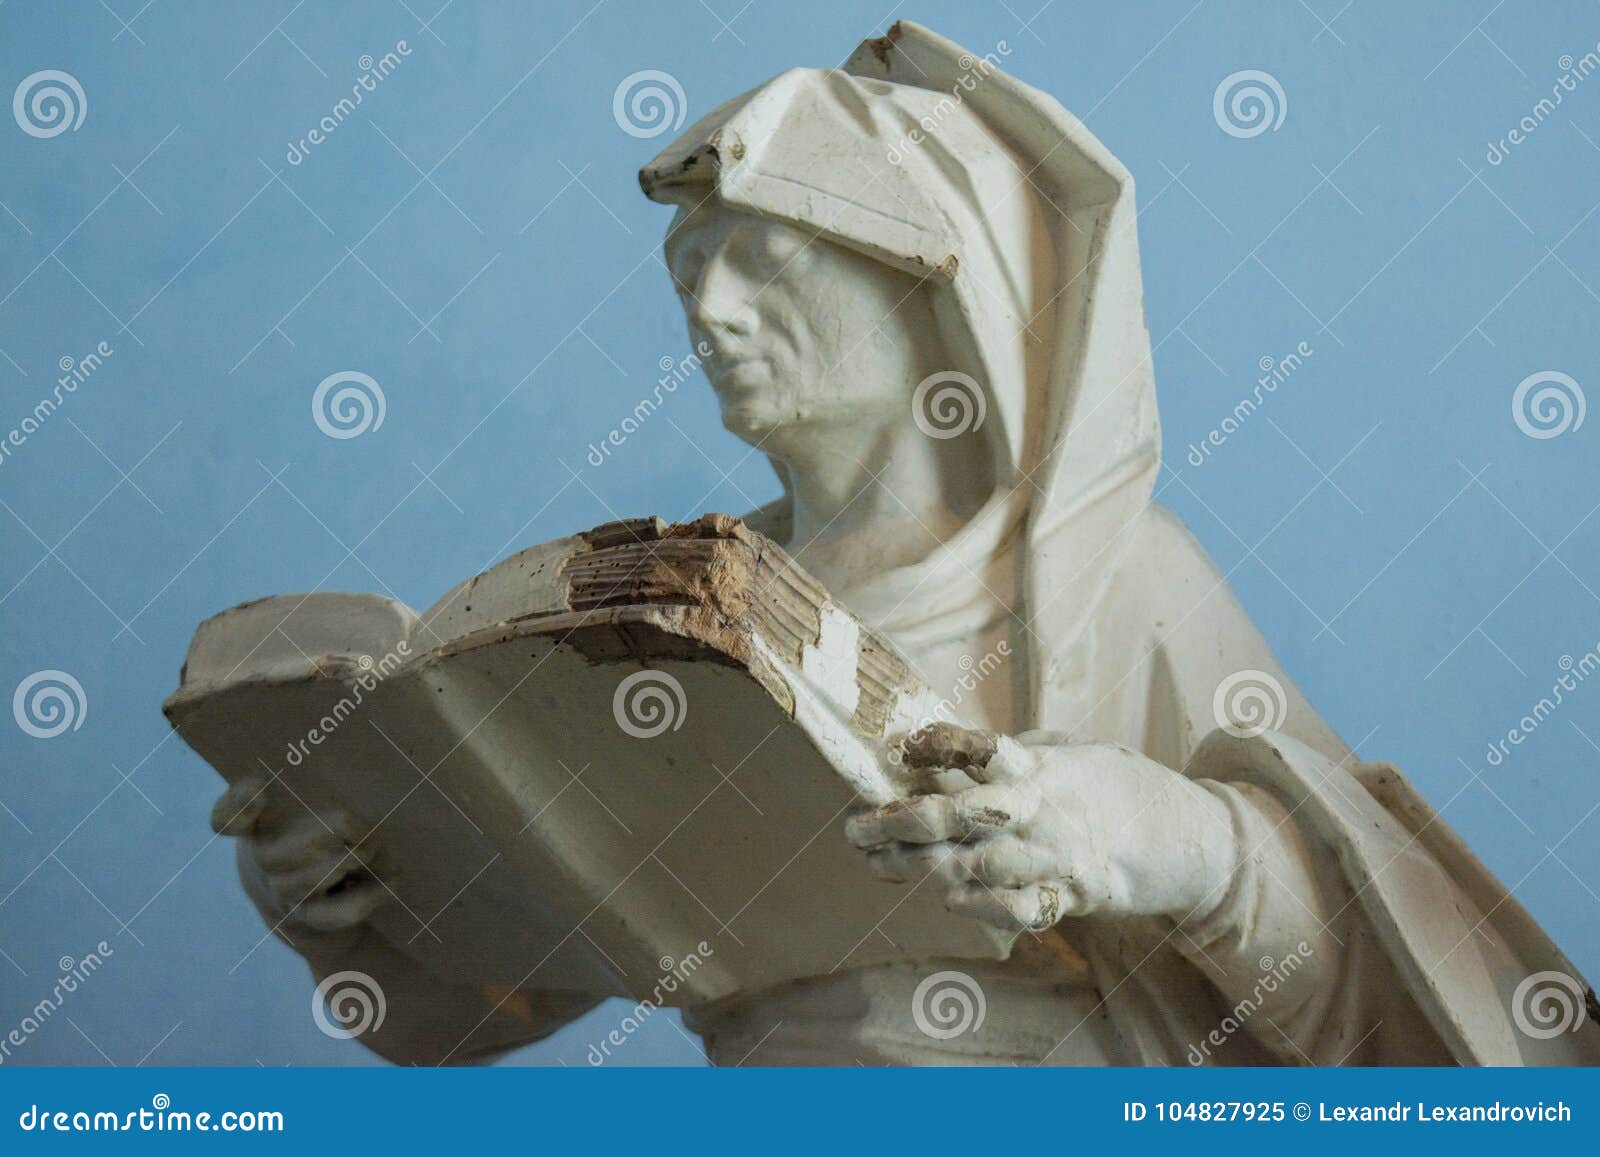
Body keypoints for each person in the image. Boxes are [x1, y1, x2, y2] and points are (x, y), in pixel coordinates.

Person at [213, 21, 1599, 1066]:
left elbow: (1393, 1009)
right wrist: (347, 896)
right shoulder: (691, 609)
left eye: (770, 261)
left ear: (942, 294)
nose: (714, 311)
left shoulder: (1108, 575)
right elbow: (528, 982)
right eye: (692, 274)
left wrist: (1165, 835)